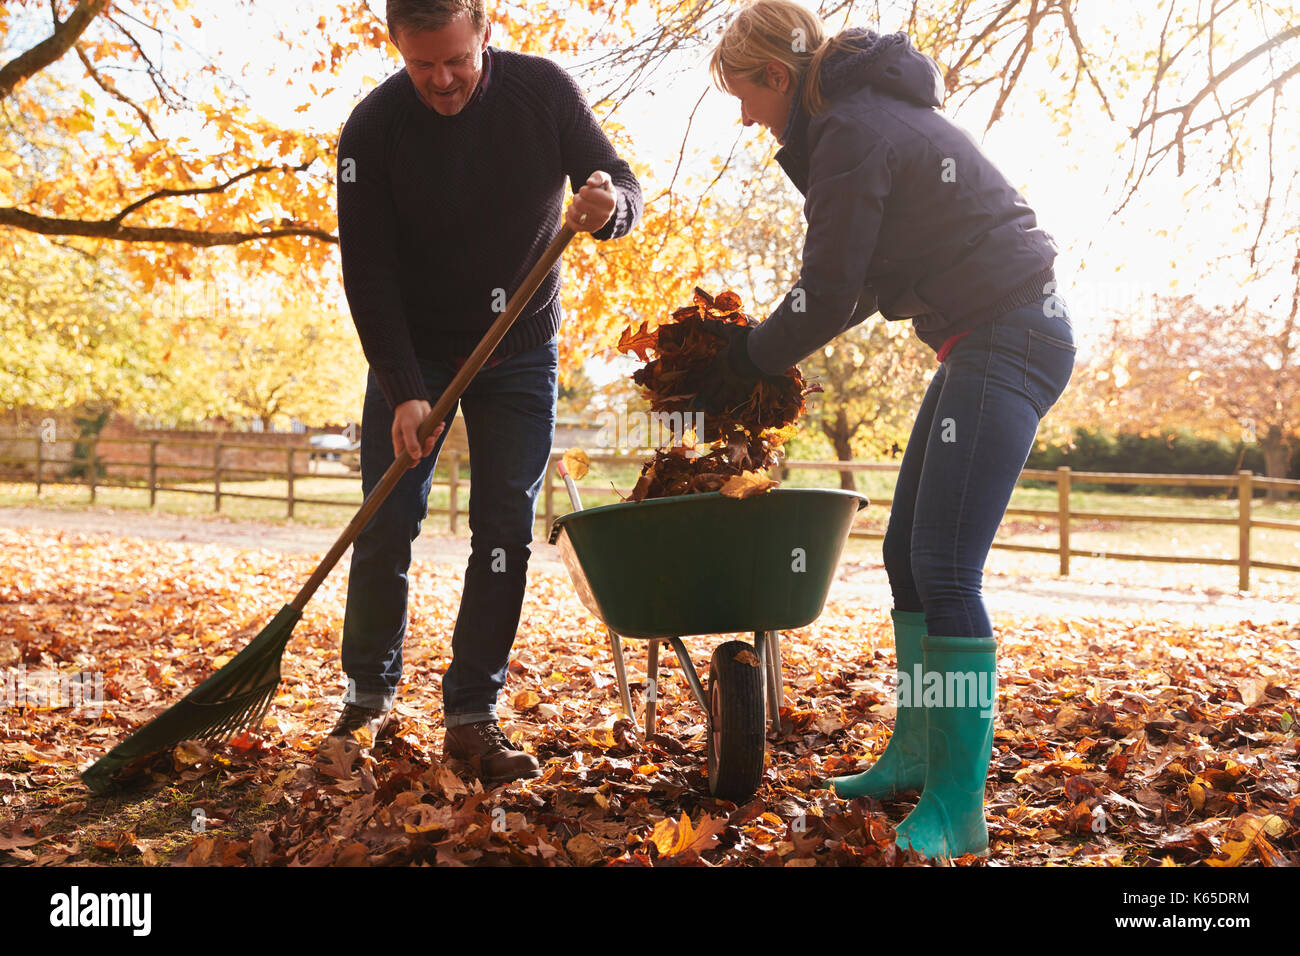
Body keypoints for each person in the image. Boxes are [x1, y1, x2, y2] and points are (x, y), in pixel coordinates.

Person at [706, 0, 1075, 858]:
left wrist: (753, 357)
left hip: (1010, 331)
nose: (744, 114)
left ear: (778, 76)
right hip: (986, 334)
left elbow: (833, 291)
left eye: (744, 94)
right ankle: (916, 753)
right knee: (909, 552)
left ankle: (957, 805)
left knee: (946, 566)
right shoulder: (865, 119)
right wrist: (761, 345)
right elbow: (864, 279)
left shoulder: (851, 130)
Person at [333, 0, 642, 786]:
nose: (440, 79)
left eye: (455, 60)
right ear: (397, 48)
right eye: (420, 64)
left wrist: (609, 212)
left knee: (502, 529)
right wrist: (404, 389)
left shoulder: (543, 93)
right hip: (416, 351)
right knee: (386, 521)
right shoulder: (373, 131)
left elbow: (624, 189)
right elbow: (367, 272)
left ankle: (472, 713)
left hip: (518, 349)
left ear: (485, 33)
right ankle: (367, 698)